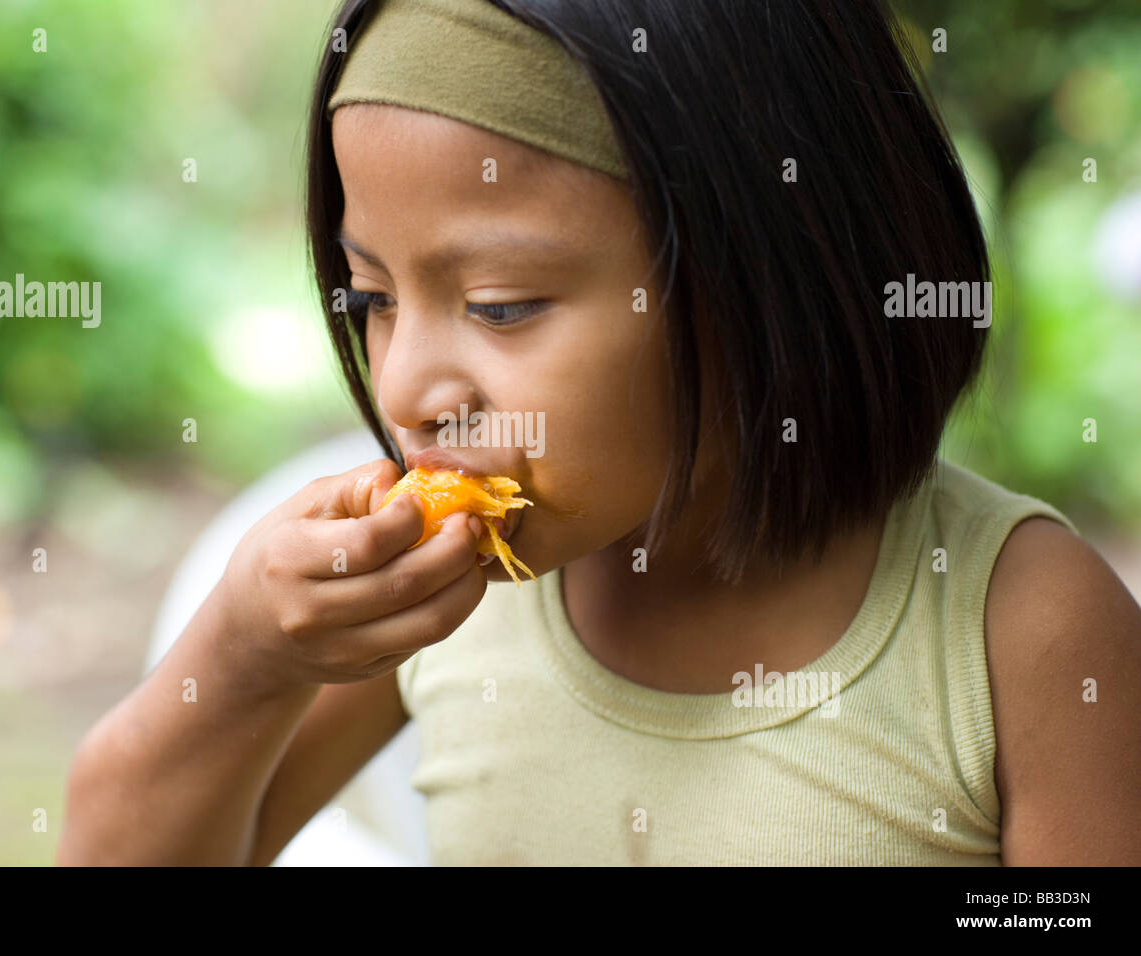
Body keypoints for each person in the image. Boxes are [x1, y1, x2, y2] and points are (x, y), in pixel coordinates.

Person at [57, 0, 1141, 866]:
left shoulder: (1016, 627)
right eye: (371, 297)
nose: (409, 389)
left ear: (767, 280)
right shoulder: (437, 610)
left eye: (501, 305)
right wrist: (242, 659)